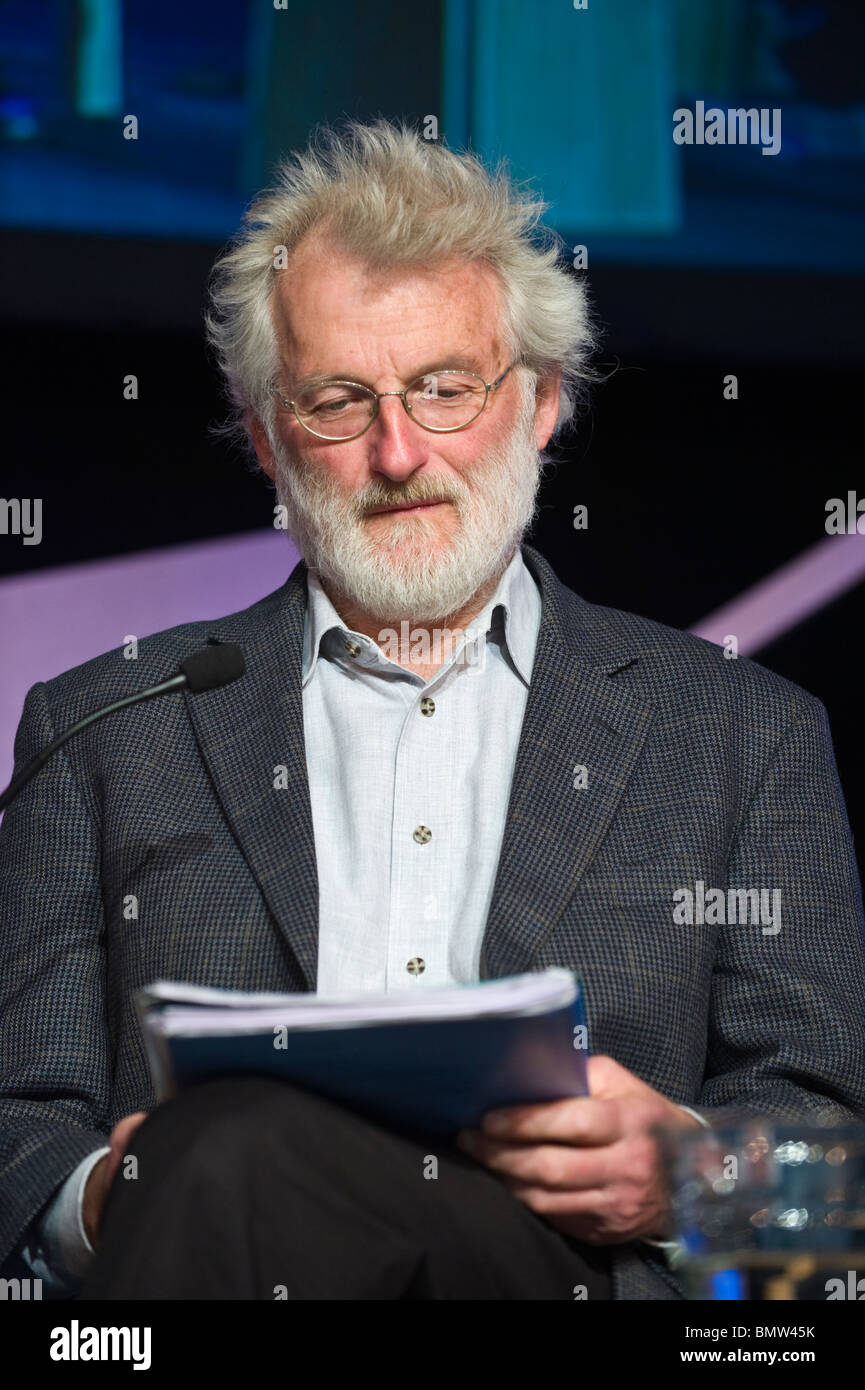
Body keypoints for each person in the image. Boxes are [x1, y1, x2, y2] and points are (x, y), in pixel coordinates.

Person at [1, 121, 863, 1302]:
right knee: (222, 1147)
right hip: (206, 1270)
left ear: (543, 401)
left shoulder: (743, 735)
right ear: (266, 439)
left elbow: (840, 1202)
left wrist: (689, 1177)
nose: (400, 452)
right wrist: (110, 1192)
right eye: (340, 402)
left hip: (561, 1283)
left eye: (446, 389)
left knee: (235, 1137)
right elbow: (14, 1135)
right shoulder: (104, 728)